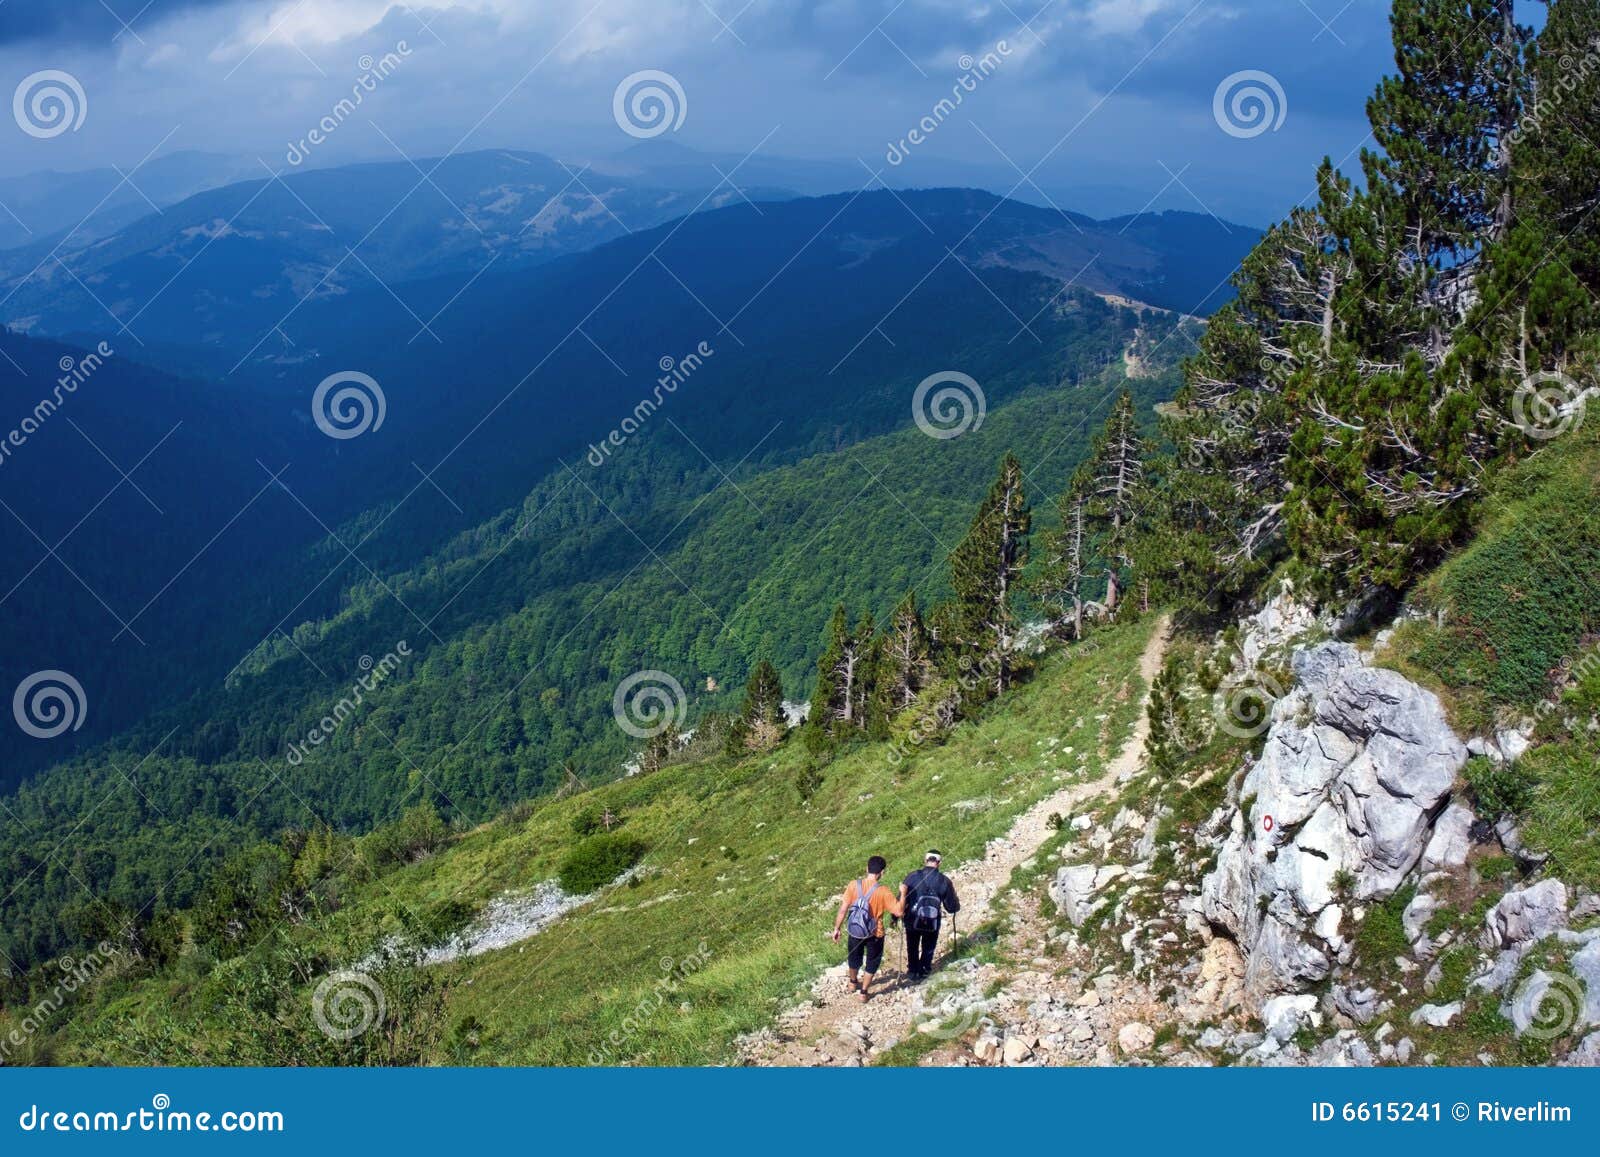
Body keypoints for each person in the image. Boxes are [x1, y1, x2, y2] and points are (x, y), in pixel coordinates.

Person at [831, 855, 903, 1002]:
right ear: (882, 872)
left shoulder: (853, 885)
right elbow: (899, 912)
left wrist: (837, 928)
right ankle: (863, 992)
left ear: (867, 868)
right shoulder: (883, 891)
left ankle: (852, 983)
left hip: (855, 930)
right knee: (872, 961)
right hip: (875, 933)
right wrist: (904, 893)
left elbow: (843, 909)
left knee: (854, 957)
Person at [899, 849, 960, 981]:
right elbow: (951, 907)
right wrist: (956, 906)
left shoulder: (912, 877)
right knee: (929, 945)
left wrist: (895, 916)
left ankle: (913, 970)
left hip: (912, 919)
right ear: (939, 862)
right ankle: (925, 969)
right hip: (932, 921)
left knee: (912, 944)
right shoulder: (944, 881)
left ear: (925, 860)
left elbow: (901, 898)